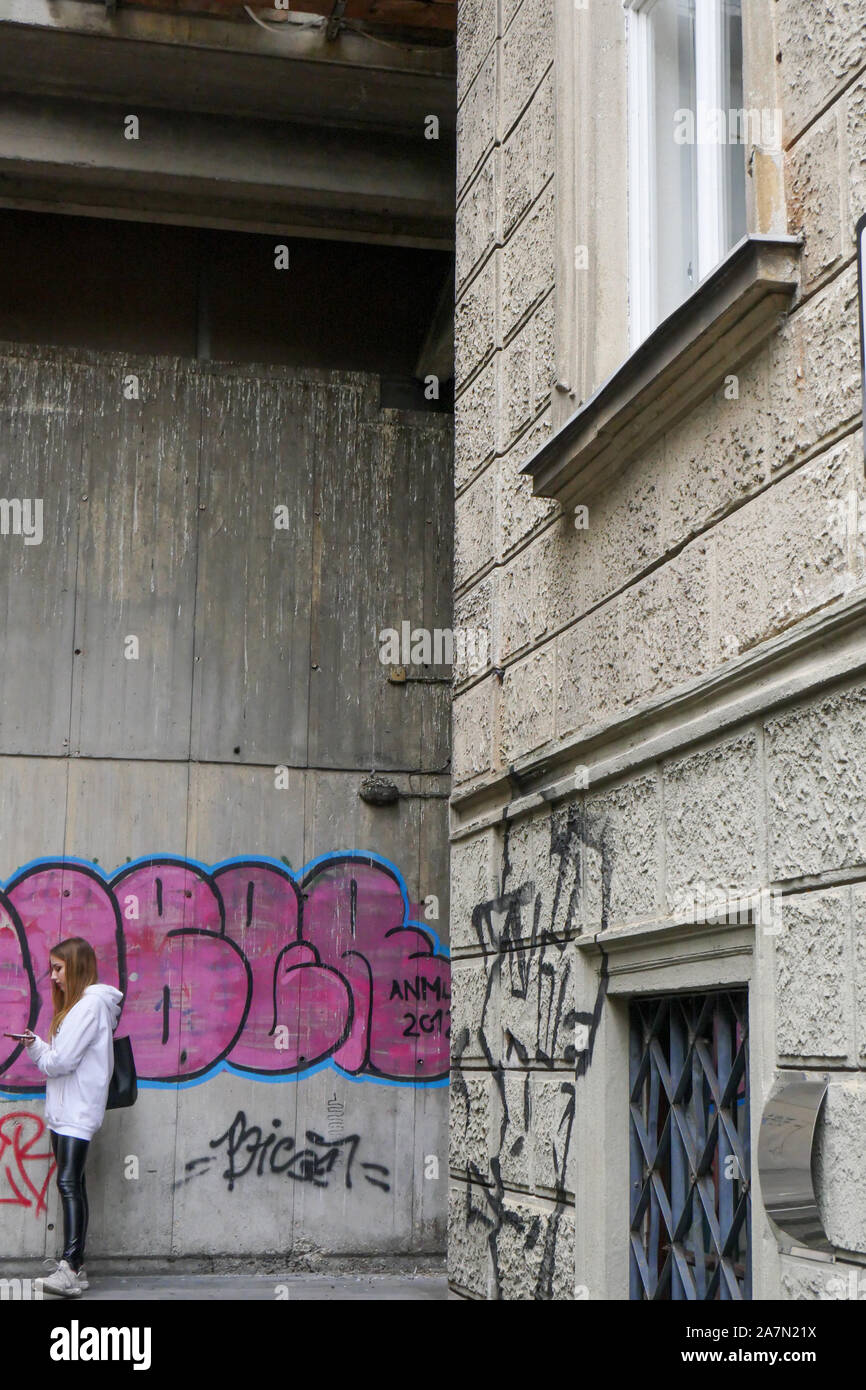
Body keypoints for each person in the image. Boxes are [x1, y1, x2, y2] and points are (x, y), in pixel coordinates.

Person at [12, 937, 122, 1297]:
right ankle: (78, 1265)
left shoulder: (88, 1007)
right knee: (72, 1184)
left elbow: (60, 1063)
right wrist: (37, 1045)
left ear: (75, 967)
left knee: (68, 1184)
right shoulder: (80, 1007)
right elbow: (61, 1058)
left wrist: (37, 1052)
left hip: (77, 1111)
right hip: (68, 1111)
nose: (53, 976)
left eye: (58, 968)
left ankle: (71, 1266)